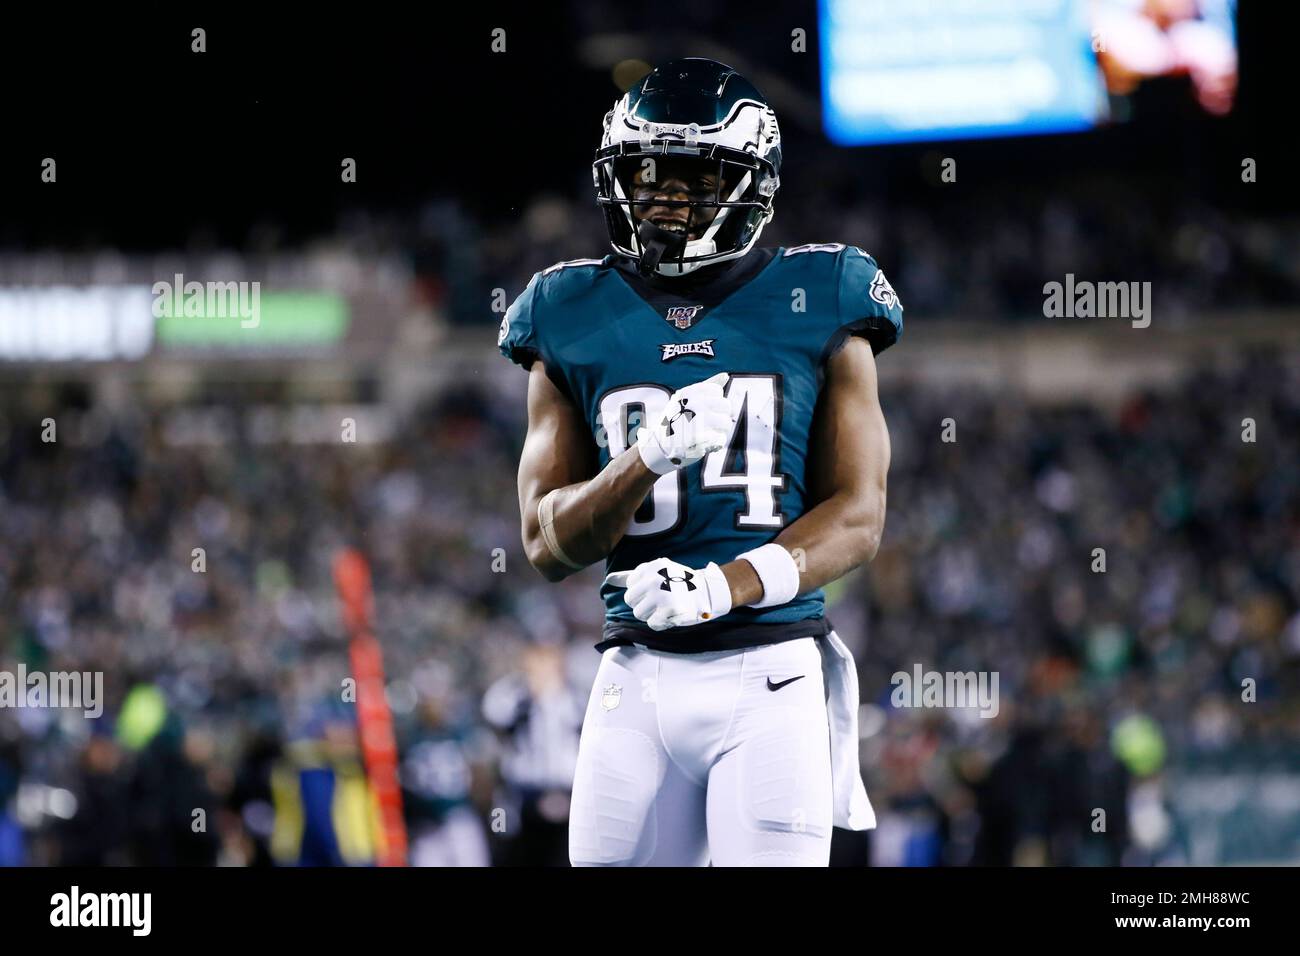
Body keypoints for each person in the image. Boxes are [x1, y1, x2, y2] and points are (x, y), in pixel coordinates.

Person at [499, 58, 903, 866]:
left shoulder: (823, 291)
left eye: (690, 175)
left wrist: (724, 585)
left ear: (752, 183)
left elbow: (858, 516)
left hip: (771, 669)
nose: (660, 196)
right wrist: (644, 458)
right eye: (643, 174)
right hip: (634, 670)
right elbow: (547, 546)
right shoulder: (566, 308)